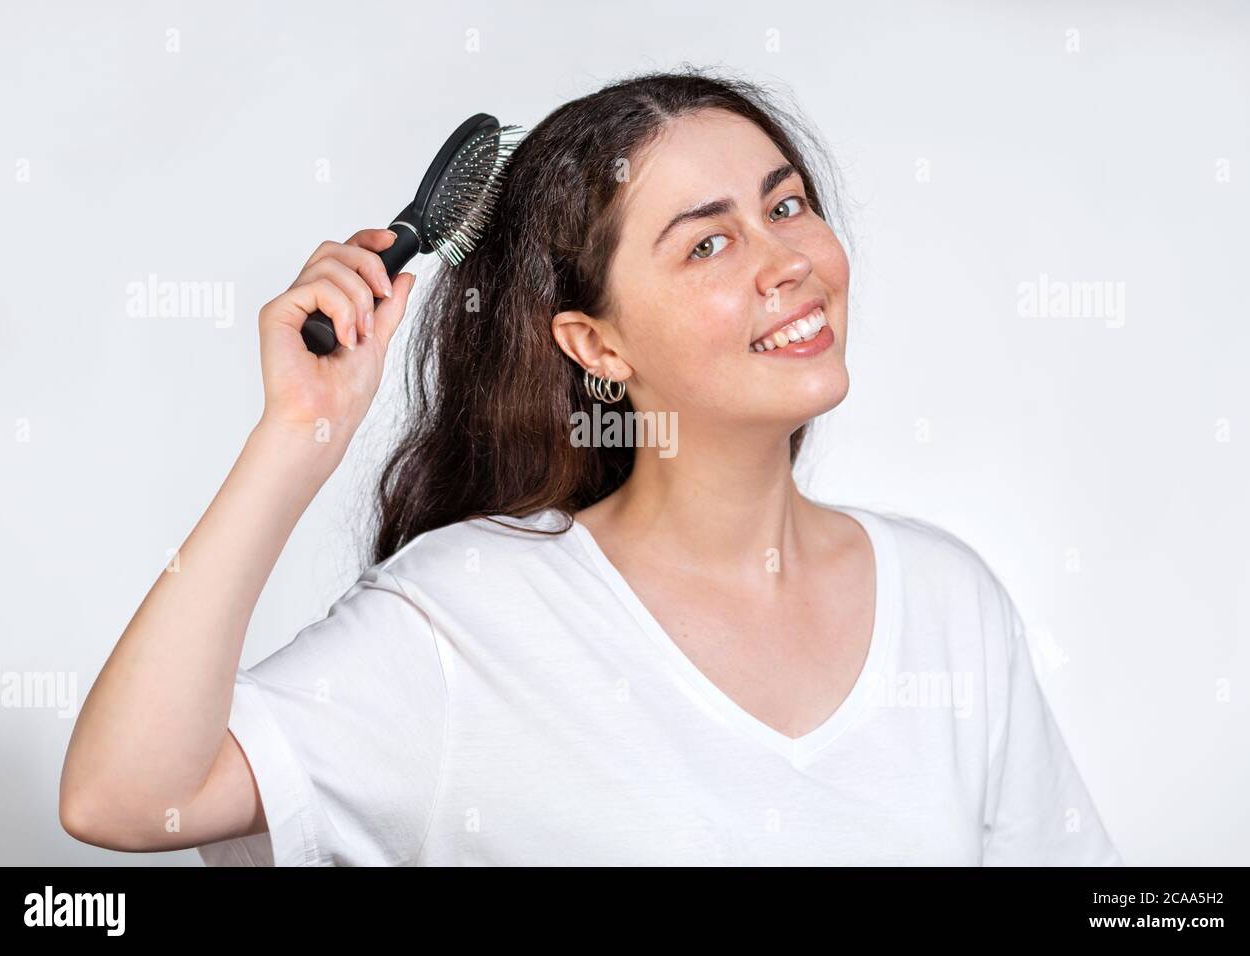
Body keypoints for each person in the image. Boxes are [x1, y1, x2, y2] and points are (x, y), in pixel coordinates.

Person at [59, 66, 1122, 866]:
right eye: (708, 243)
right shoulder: (475, 612)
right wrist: (296, 435)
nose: (787, 260)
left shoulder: (946, 601)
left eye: (785, 205)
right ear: (596, 347)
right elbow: (122, 794)